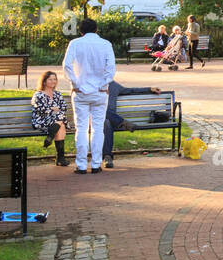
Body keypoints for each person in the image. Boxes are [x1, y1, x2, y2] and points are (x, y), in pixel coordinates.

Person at [61, 18, 116, 174]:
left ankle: (82, 165)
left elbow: (66, 65)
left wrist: (76, 84)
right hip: (100, 92)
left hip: (81, 92)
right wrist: (103, 84)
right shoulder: (106, 44)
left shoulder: (75, 44)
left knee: (82, 128)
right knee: (98, 129)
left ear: (81, 30)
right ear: (96, 29)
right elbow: (110, 68)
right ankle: (96, 164)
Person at [102, 80, 162, 169]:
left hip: (110, 121)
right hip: (94, 119)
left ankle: (107, 156)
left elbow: (132, 90)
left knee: (107, 122)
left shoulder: (113, 85)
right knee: (102, 113)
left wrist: (149, 89)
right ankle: (122, 122)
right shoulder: (93, 84)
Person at [31, 71, 71, 167]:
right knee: (60, 121)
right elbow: (39, 109)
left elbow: (64, 107)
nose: (53, 81)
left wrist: (52, 110)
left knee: (60, 125)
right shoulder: (38, 94)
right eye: (50, 79)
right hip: (42, 120)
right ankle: (60, 158)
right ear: (44, 81)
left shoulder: (57, 94)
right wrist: (52, 109)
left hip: (56, 121)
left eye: (55, 79)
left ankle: (50, 137)